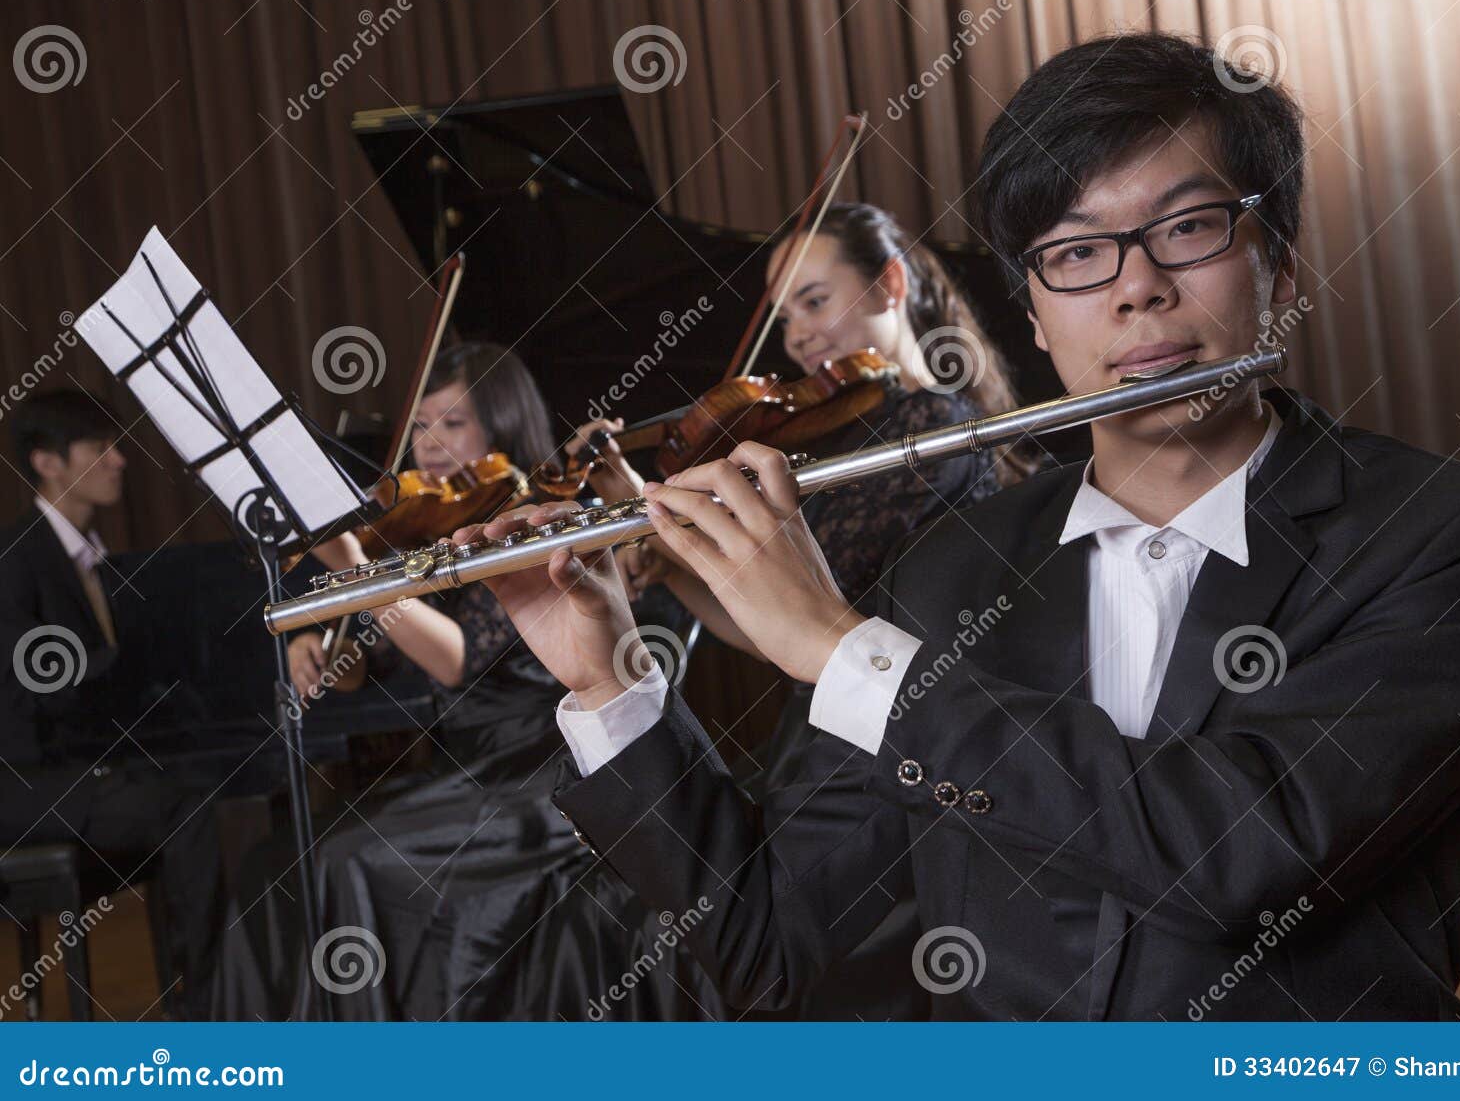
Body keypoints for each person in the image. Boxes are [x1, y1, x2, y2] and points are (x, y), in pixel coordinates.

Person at [459, 33, 1460, 1020]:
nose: (1135, 291)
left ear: (1275, 257)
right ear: (1033, 310)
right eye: (1078, 254)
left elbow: (1238, 857)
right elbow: (772, 944)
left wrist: (842, 648)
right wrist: (609, 680)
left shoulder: (1457, 536)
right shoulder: (952, 570)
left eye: (1186, 229)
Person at [571, 202, 1029, 1017]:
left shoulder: (933, 429)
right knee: (639, 911)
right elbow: (771, 635)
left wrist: (664, 522)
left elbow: (826, 606)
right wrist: (665, 562)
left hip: (895, 779)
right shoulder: (842, 442)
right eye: (785, 316)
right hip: (821, 748)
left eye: (816, 300)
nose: (796, 337)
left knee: (699, 948)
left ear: (890, 284)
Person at [215, 342, 716, 1020]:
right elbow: (380, 662)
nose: (429, 445)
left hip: (546, 768)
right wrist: (323, 648)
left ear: (502, 428)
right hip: (472, 767)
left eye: (452, 424)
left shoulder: (536, 514)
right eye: (420, 426)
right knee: (272, 868)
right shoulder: (437, 523)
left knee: (347, 862)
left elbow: (457, 656)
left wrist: (359, 567)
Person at [0, 389, 226, 1019]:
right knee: (188, 807)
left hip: (73, 762)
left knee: (201, 785)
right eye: (100, 449)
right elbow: (31, 689)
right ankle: (208, 1010)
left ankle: (216, 991)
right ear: (48, 463)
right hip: (24, 777)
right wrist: (127, 664)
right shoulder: (16, 559)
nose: (120, 461)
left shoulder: (89, 556)